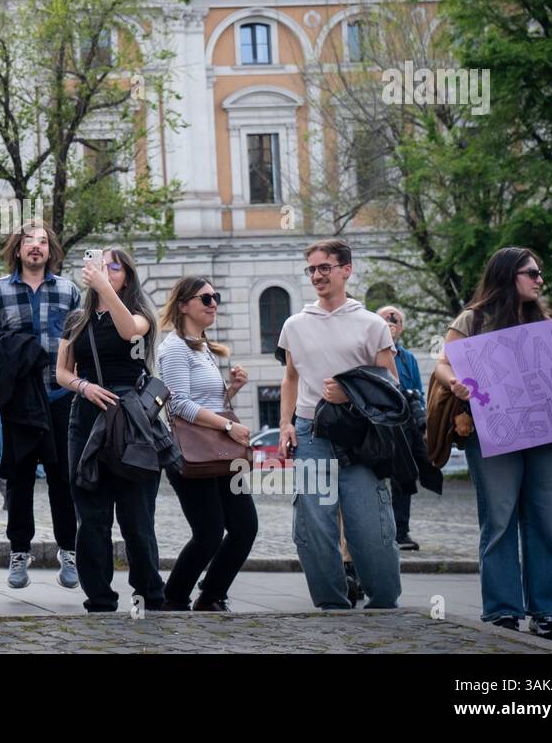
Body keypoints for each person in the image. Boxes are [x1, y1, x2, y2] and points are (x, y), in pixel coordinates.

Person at [432, 246, 552, 639]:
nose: (539, 280)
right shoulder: (473, 319)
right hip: (492, 431)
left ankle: (548, 611)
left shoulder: (544, 319)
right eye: (532, 273)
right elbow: (443, 361)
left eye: (539, 273)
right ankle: (502, 611)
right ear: (509, 275)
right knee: (499, 519)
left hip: (545, 432)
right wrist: (453, 379)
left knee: (544, 520)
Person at [278, 239, 401, 610]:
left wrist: (350, 394)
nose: (317, 275)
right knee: (314, 522)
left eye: (324, 267)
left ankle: (383, 601)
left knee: (369, 525)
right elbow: (290, 378)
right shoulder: (295, 325)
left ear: (346, 269)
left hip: (360, 436)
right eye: (312, 269)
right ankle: (331, 604)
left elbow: (390, 383)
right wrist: (285, 423)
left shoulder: (371, 324)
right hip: (310, 432)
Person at [55, 247, 165, 613]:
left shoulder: (140, 314)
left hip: (130, 418)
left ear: (126, 276)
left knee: (136, 516)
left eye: (114, 268)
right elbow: (62, 372)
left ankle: (150, 592)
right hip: (86, 418)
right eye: (101, 267)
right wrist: (82, 387)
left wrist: (106, 289)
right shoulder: (76, 319)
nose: (106, 271)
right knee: (92, 515)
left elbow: (129, 332)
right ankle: (99, 596)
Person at [0, 221, 81, 589]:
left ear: (51, 250)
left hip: (60, 396)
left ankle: (69, 551)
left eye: (42, 242)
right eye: (27, 242)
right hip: (19, 402)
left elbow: (81, 340)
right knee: (18, 481)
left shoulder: (69, 290)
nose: (35, 247)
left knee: (63, 480)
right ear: (17, 250)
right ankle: (19, 552)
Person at [159, 276, 257, 611]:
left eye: (215, 296)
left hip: (218, 450)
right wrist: (230, 425)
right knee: (209, 532)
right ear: (184, 305)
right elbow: (179, 406)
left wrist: (231, 392)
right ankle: (173, 598)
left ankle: (212, 593)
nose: (213, 302)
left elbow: (204, 403)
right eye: (205, 298)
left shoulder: (201, 347)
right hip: (191, 455)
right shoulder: (173, 349)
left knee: (245, 528)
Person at [377, 304, 424, 551]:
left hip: (404, 426)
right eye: (385, 320)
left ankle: (401, 532)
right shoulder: (369, 352)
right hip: (377, 424)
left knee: (403, 479)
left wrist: (421, 420)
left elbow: (419, 392)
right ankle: (374, 531)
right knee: (372, 478)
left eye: (395, 321)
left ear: (402, 328)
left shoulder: (408, 359)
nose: (391, 324)